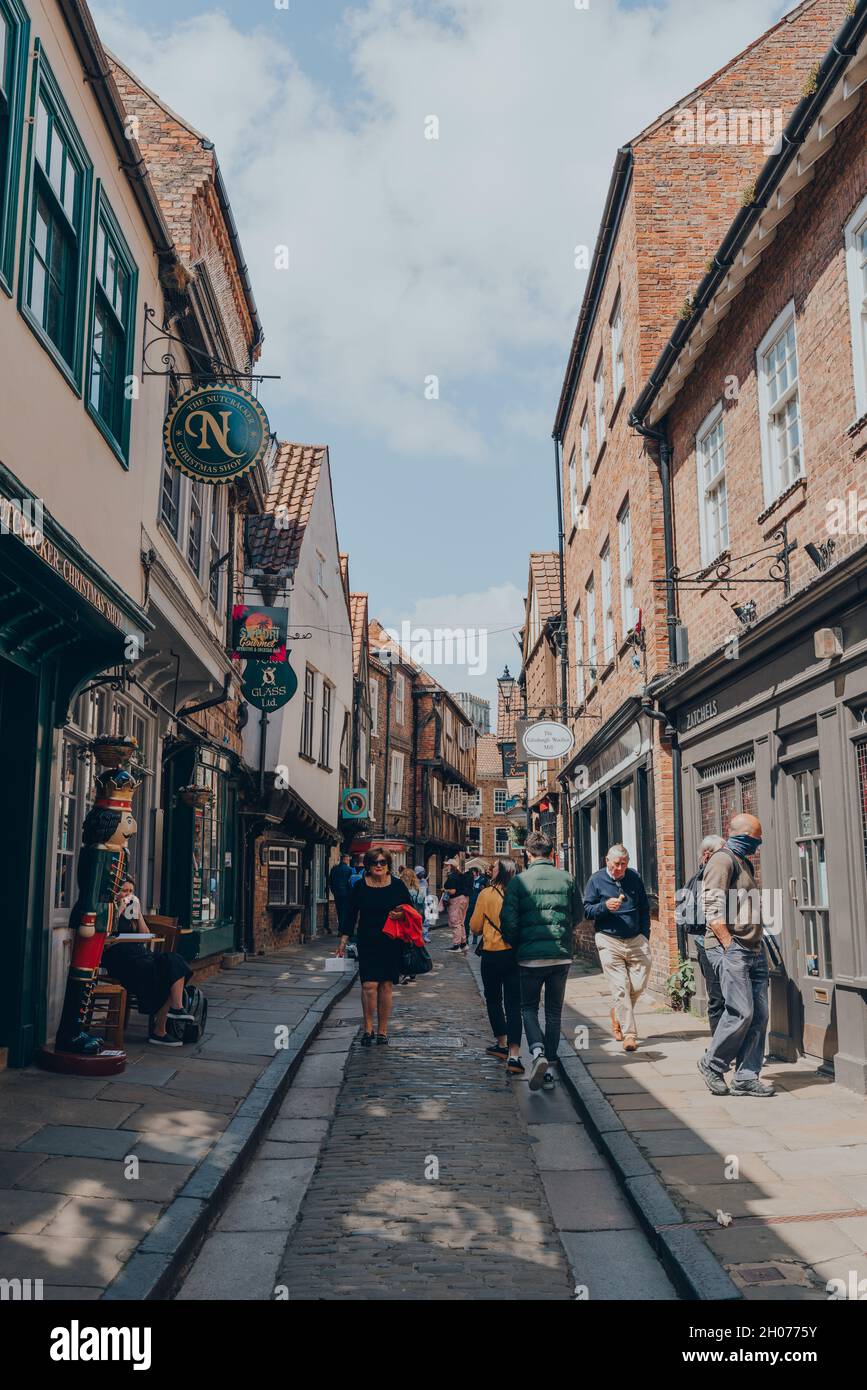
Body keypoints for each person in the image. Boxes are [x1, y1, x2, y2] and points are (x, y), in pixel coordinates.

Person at [697, 814, 774, 1098]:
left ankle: (745, 1077)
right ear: (741, 836)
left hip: (753, 948)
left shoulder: (743, 862)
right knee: (741, 1011)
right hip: (731, 947)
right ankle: (712, 1064)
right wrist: (729, 945)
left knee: (759, 1015)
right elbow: (711, 907)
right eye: (755, 839)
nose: (757, 845)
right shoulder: (722, 860)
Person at [499, 831, 581, 1092]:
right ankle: (549, 1071)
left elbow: (508, 921)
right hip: (560, 955)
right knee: (554, 1013)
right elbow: (577, 914)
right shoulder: (567, 878)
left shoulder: (518, 882)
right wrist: (562, 933)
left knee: (528, 1008)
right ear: (551, 852)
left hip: (530, 958)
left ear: (528, 853)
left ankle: (537, 1052)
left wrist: (517, 943)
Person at [103, 878, 194, 1047]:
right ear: (115, 892)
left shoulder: (131, 911)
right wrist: (119, 909)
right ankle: (159, 1031)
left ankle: (176, 1008)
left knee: (174, 962)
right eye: (124, 891)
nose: (128, 894)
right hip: (118, 956)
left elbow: (145, 935)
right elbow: (106, 934)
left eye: (131, 891)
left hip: (138, 953)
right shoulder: (107, 908)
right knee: (161, 972)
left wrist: (138, 914)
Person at [336, 849, 412, 1046]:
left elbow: (410, 910)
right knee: (368, 986)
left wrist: (401, 914)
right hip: (368, 941)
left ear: (388, 865)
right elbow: (350, 914)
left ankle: (382, 1031)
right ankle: (368, 1029)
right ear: (368, 866)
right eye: (375, 862)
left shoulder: (397, 885)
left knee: (386, 985)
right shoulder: (360, 886)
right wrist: (343, 941)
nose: (379, 865)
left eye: (383, 862)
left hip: (391, 942)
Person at [584, 844, 652, 1053]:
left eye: (623, 864)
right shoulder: (596, 880)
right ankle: (629, 1034)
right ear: (607, 861)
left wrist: (645, 935)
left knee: (638, 985)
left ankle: (617, 1012)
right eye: (616, 864)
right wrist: (604, 907)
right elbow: (587, 910)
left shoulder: (634, 878)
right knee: (620, 988)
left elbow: (644, 908)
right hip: (608, 939)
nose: (619, 869)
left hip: (635, 939)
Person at [471, 858, 524, 1075]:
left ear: (501, 871)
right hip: (514, 954)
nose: (490, 870)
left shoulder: (486, 894)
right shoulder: (521, 892)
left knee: (493, 1000)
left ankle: (501, 1044)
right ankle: (514, 1055)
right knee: (514, 1005)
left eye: (493, 868)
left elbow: (475, 927)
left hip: (492, 954)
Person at [680, 834, 726, 1035]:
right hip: (710, 942)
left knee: (721, 996)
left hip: (712, 941)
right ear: (708, 855)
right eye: (722, 851)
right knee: (718, 997)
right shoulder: (705, 878)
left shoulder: (714, 874)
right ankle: (719, 1044)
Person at [397, 866, 427, 983]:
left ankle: (404, 971)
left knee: (404, 947)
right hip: (416, 921)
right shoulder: (420, 891)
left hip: (406, 920)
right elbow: (423, 908)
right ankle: (412, 971)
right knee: (413, 946)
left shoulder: (403, 892)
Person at [443, 857, 473, 952]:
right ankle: (463, 944)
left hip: (456, 900)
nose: (445, 866)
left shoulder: (452, 876)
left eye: (447, 865)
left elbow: (453, 891)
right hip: (465, 899)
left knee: (455, 922)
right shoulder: (460, 875)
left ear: (451, 866)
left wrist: (444, 890)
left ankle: (456, 946)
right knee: (461, 922)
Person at [328, 852, 353, 936]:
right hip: (346, 894)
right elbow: (350, 883)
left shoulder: (334, 869)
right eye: (348, 859)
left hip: (337, 894)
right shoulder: (349, 870)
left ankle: (341, 930)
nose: (348, 861)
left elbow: (330, 882)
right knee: (344, 912)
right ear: (345, 860)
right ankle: (342, 930)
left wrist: (333, 891)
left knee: (339, 911)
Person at [466, 864, 490, 947]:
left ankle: (475, 938)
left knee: (476, 921)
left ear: (476, 873)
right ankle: (466, 938)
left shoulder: (482, 880)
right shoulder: (469, 880)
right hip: (469, 903)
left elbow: (486, 888)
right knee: (466, 921)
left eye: (472, 873)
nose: (471, 874)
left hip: (477, 904)